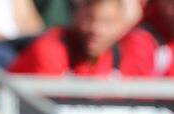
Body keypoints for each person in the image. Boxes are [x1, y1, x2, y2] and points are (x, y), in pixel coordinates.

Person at [11, 0, 158, 74]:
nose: (96, 29)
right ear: (77, 15)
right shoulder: (50, 49)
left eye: (107, 23)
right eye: (89, 19)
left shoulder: (125, 57)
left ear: (122, 26)